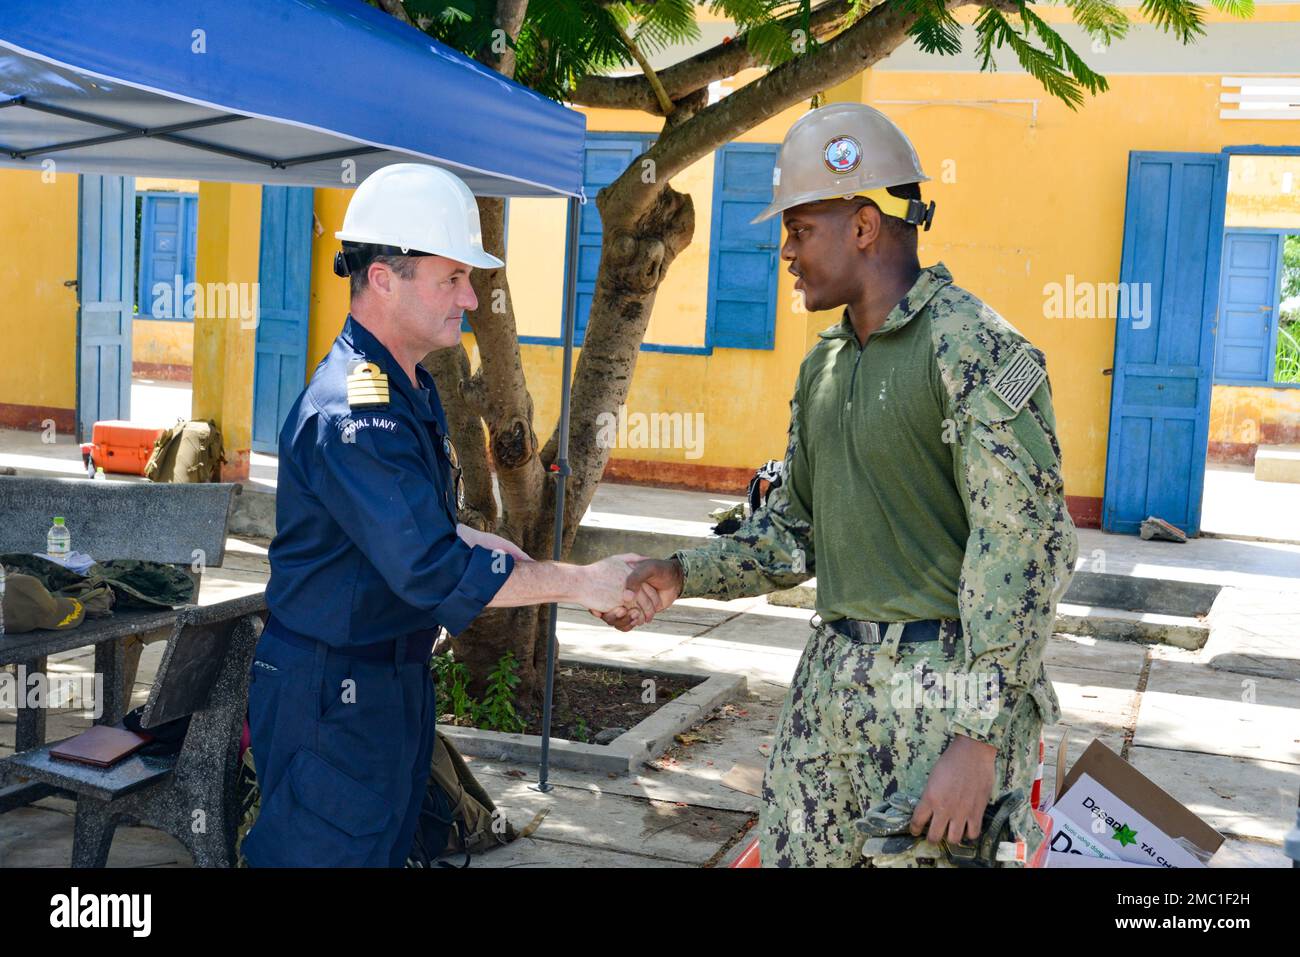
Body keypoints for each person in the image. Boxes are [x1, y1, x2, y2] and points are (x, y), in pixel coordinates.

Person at [602, 103, 1078, 867]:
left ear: (863, 226)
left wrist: (977, 740)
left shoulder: (976, 348)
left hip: (943, 696)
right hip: (832, 690)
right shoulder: (823, 364)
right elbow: (791, 535)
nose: (784, 252)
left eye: (799, 230)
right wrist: (679, 571)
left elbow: (1024, 549)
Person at [243, 163, 655, 868]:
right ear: (383, 279)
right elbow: (431, 567)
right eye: (451, 279)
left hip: (388, 684)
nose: (470, 296)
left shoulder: (407, 386)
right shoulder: (355, 410)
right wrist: (581, 582)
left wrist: (513, 559)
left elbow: (425, 529)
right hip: (333, 693)